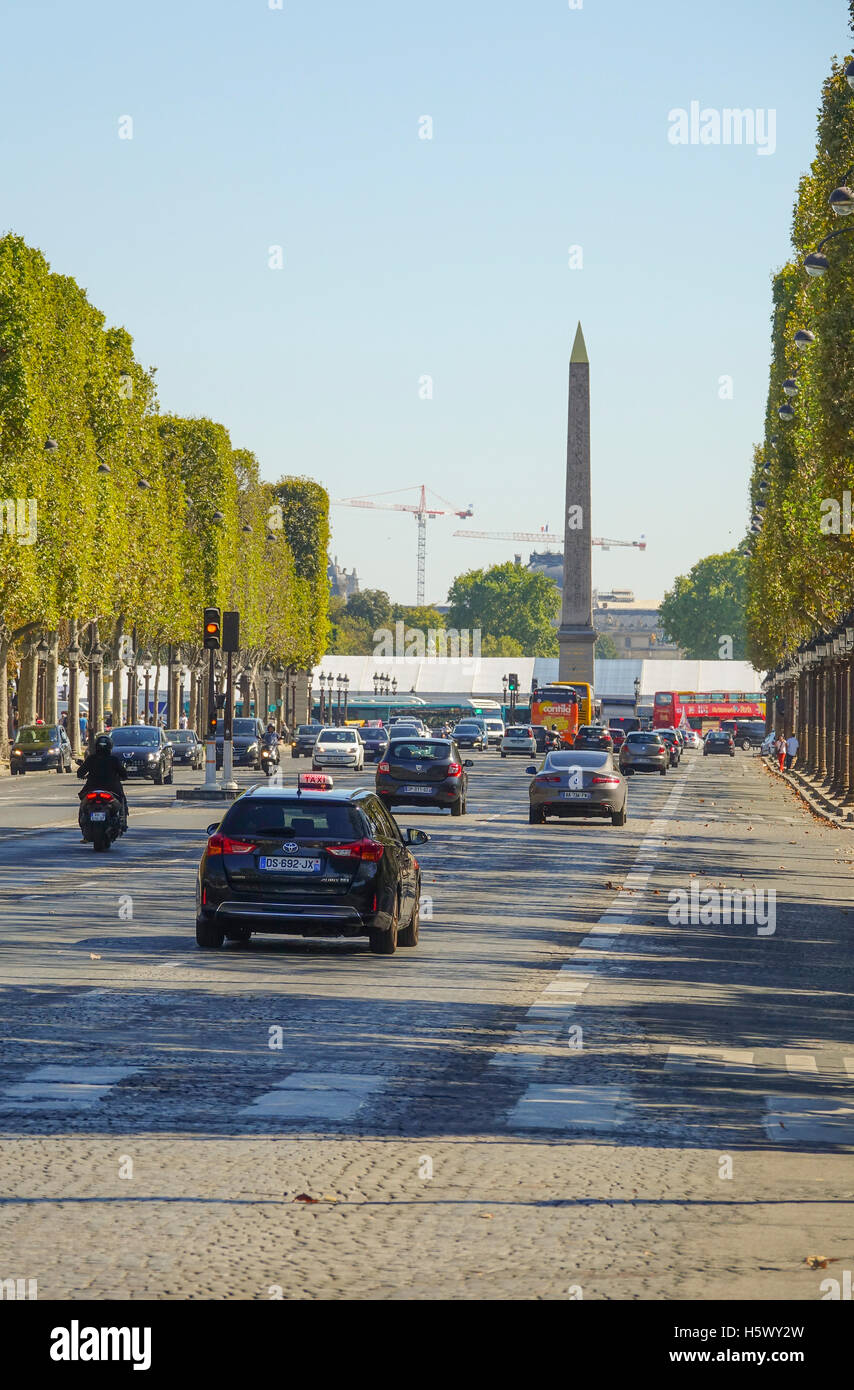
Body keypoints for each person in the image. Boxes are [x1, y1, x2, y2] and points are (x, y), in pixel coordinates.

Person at [76, 732, 128, 833]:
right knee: (121, 799)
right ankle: (123, 821)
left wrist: (82, 775)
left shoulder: (91, 759)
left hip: (92, 788)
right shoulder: (114, 760)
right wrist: (123, 776)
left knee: (83, 803)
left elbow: (80, 772)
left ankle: (121, 820)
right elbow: (124, 774)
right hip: (111, 788)